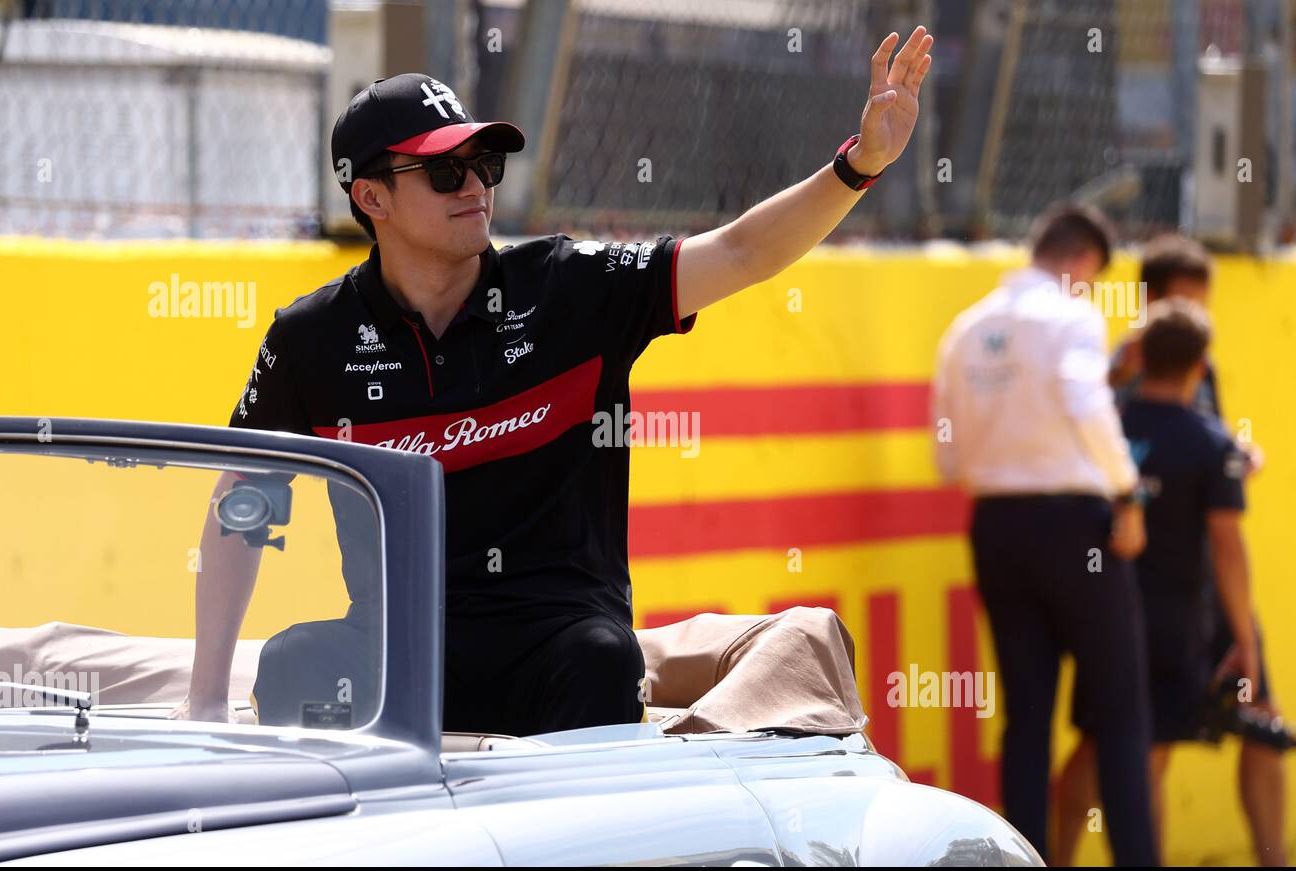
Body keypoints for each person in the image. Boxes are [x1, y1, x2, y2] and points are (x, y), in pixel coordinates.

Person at [172, 27, 937, 735]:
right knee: (292, 661)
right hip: (399, 653)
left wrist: (859, 165)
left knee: (606, 660)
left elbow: (740, 254)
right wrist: (206, 700)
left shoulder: (570, 287)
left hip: (558, 639)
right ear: (371, 197)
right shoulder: (309, 338)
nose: (475, 184)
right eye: (444, 171)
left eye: (484, 163)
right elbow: (242, 502)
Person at [932, 202, 1158, 866]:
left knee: (1026, 718)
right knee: (1120, 711)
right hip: (1076, 527)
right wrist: (1127, 492)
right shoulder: (1071, 315)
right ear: (1083, 262)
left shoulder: (965, 330)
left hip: (996, 527)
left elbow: (948, 458)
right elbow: (1087, 404)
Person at [1056, 235, 1287, 867]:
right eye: (1187, 302)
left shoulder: (1198, 367)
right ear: (1151, 299)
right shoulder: (1120, 371)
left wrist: (1235, 462)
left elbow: (1209, 451)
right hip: (1142, 590)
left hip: (1208, 591)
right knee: (1121, 743)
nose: (1199, 318)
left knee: (1262, 724)